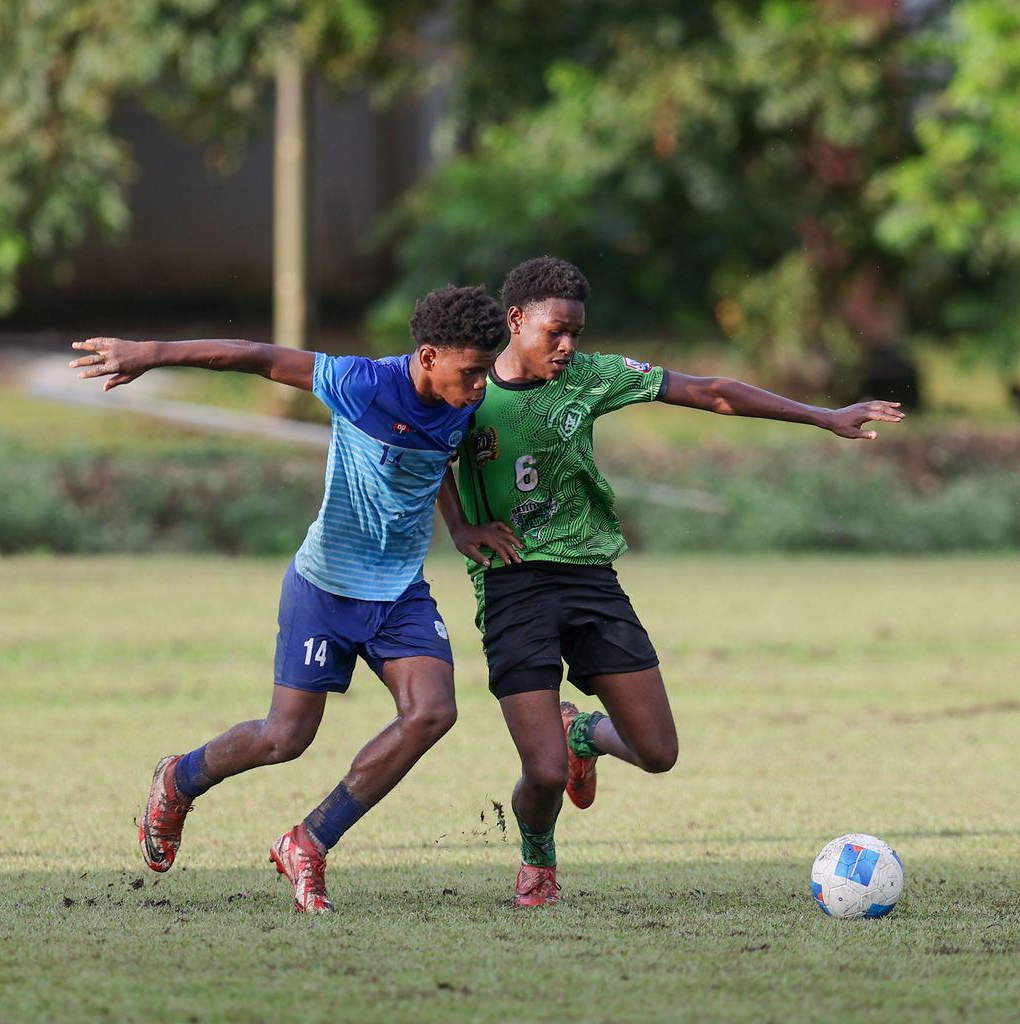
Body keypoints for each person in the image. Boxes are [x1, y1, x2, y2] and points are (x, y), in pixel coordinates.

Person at [438, 256, 906, 907]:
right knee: (541, 773)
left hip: (591, 578)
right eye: (555, 333)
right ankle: (538, 861)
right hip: (512, 585)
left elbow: (711, 391)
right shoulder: (466, 386)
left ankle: (584, 734)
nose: (568, 346)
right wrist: (459, 528)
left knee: (657, 751)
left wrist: (823, 416)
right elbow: (424, 445)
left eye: (576, 331)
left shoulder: (595, 376)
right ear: (515, 321)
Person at [70, 285, 507, 914]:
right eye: (469, 372)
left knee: (433, 712)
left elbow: (434, 460)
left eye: (484, 371)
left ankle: (308, 841)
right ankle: (178, 779)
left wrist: (461, 525)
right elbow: (253, 355)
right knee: (284, 739)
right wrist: (152, 352)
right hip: (325, 587)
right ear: (429, 356)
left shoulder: (464, 400)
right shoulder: (359, 383)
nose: (478, 386)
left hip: (399, 593)